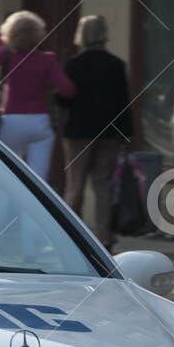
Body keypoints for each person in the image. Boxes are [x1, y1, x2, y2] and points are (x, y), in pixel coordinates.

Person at [56, 15, 132, 249]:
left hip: (78, 132)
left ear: (82, 35)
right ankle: (104, 237)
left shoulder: (73, 64)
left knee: (75, 185)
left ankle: (70, 237)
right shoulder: (117, 64)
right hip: (109, 133)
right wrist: (126, 135)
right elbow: (124, 102)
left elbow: (63, 99)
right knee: (103, 186)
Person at [0, 11, 74, 184]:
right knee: (38, 181)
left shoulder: (6, 56)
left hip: (10, 122)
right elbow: (67, 89)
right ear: (38, 34)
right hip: (38, 121)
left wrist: (2, 30)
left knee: (6, 176)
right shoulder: (48, 60)